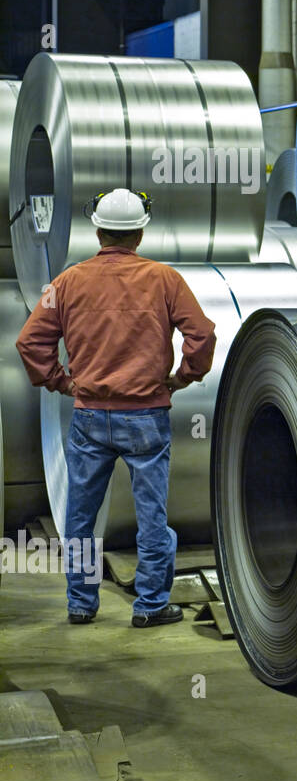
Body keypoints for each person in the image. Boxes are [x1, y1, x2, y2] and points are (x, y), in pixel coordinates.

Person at [15, 189, 216, 627]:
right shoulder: (165, 279)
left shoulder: (67, 282)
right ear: (140, 233)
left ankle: (81, 605)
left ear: (98, 230)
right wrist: (183, 377)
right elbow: (201, 335)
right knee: (152, 518)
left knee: (81, 517)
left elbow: (29, 342)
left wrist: (61, 382)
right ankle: (149, 606)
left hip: (89, 417)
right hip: (147, 417)